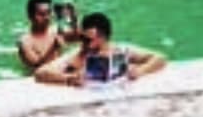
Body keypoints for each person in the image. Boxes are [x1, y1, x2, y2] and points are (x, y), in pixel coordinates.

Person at [36, 12, 165, 86]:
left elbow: (159, 58)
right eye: (84, 39)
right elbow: (41, 73)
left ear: (104, 37)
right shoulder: (78, 54)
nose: (87, 45)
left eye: (90, 40)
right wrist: (68, 78)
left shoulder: (121, 49)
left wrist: (141, 70)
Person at [18, 0, 70, 71]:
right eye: (41, 14)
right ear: (30, 16)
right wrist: (53, 47)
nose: (46, 18)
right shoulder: (25, 42)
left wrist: (73, 15)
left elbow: (82, 36)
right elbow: (36, 66)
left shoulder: (56, 31)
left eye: (48, 13)